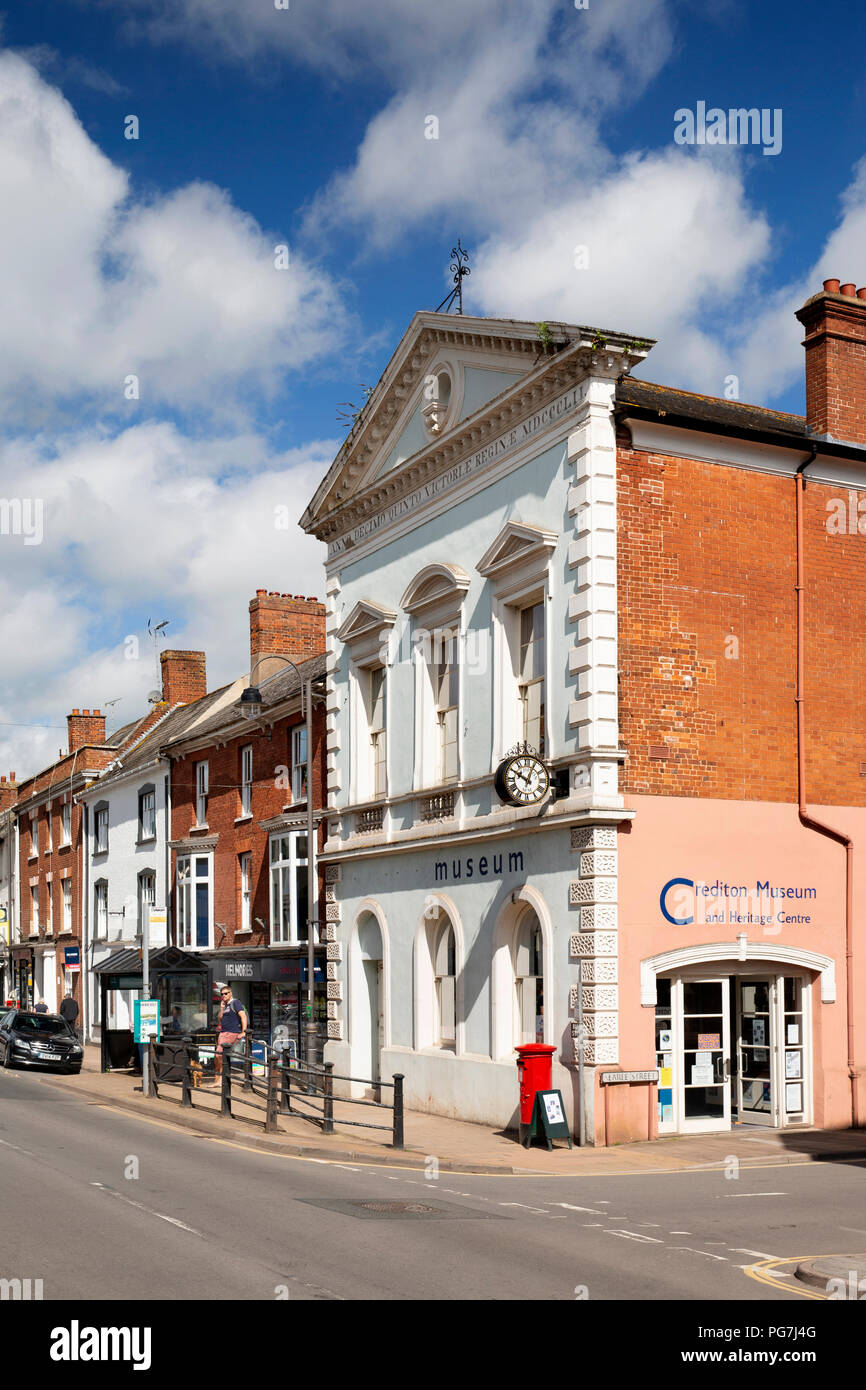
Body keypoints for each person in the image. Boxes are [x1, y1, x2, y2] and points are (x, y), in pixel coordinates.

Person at [213, 986, 248, 1082]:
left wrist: (243, 1031)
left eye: (226, 993)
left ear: (231, 993)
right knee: (218, 1056)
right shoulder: (226, 1005)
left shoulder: (235, 1002)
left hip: (231, 1033)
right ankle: (218, 1080)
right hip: (223, 1033)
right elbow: (220, 1019)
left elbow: (243, 1016)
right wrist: (221, 1008)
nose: (223, 995)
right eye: (222, 994)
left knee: (219, 1055)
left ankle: (220, 1080)